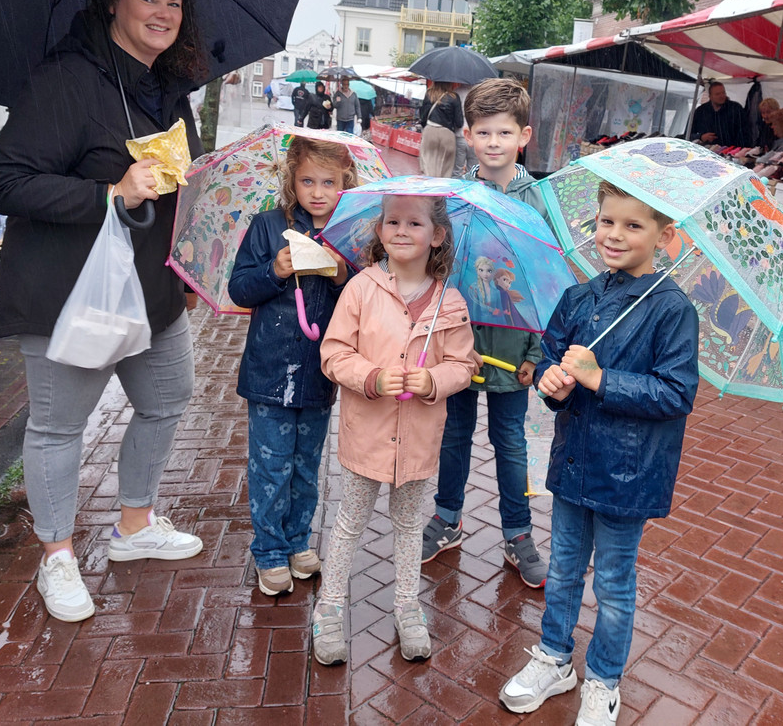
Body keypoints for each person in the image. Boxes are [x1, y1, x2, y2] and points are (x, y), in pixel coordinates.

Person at [0, 0, 207, 623]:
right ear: (113, 1)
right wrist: (108, 192)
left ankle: (134, 524)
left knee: (169, 394)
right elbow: (8, 182)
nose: (162, 13)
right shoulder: (66, 79)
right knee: (59, 425)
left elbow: (175, 176)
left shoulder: (166, 85)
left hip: (151, 284)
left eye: (173, 3)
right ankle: (56, 555)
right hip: (70, 290)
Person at [498, 181, 700, 723]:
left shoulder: (671, 310)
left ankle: (604, 678)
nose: (615, 234)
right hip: (573, 462)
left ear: (665, 236)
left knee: (613, 582)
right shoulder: (580, 297)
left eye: (633, 226)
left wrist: (600, 378)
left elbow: (677, 392)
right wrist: (550, 381)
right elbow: (546, 356)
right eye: (607, 221)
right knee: (563, 570)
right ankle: (555, 658)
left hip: (628, 475)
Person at [313, 195, 480, 666]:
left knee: (409, 524)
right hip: (368, 432)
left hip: (419, 439)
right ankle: (329, 607)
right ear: (380, 230)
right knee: (350, 521)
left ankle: (407, 604)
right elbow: (334, 352)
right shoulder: (362, 289)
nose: (402, 230)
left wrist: (434, 381)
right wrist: (370, 377)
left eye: (414, 222)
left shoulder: (451, 300)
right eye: (392, 221)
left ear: (438, 236)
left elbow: (464, 364)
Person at [423, 78, 549, 589]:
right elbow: (440, 270)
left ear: (524, 136)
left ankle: (518, 533)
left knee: (509, 441)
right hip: (460, 345)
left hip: (513, 349)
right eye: (482, 132)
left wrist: (538, 352)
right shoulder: (454, 199)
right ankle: (448, 517)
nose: (493, 142)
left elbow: (547, 286)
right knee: (452, 436)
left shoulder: (538, 202)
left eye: (504, 132)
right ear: (467, 137)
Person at [227, 137, 356, 596]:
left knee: (307, 463)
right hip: (268, 371)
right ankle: (269, 550)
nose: (317, 191)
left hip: (319, 374)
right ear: (292, 181)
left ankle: (299, 540)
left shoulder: (350, 236)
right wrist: (274, 271)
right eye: (307, 181)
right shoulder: (267, 228)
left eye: (329, 182)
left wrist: (343, 275)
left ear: (345, 184)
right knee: (270, 465)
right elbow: (239, 289)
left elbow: (365, 302)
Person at [418, 80, 464, 177]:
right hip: (447, 134)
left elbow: (422, 117)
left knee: (428, 164)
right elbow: (459, 123)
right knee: (446, 168)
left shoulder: (429, 94)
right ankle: (442, 189)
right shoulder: (454, 97)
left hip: (429, 131)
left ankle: (429, 187)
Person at [690, 81, 750, 147]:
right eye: (717, 94)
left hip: (731, 152)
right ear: (710, 96)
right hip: (707, 152)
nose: (721, 96)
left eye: (723, 93)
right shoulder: (700, 111)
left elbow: (744, 133)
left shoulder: (735, 109)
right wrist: (701, 137)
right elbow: (688, 134)